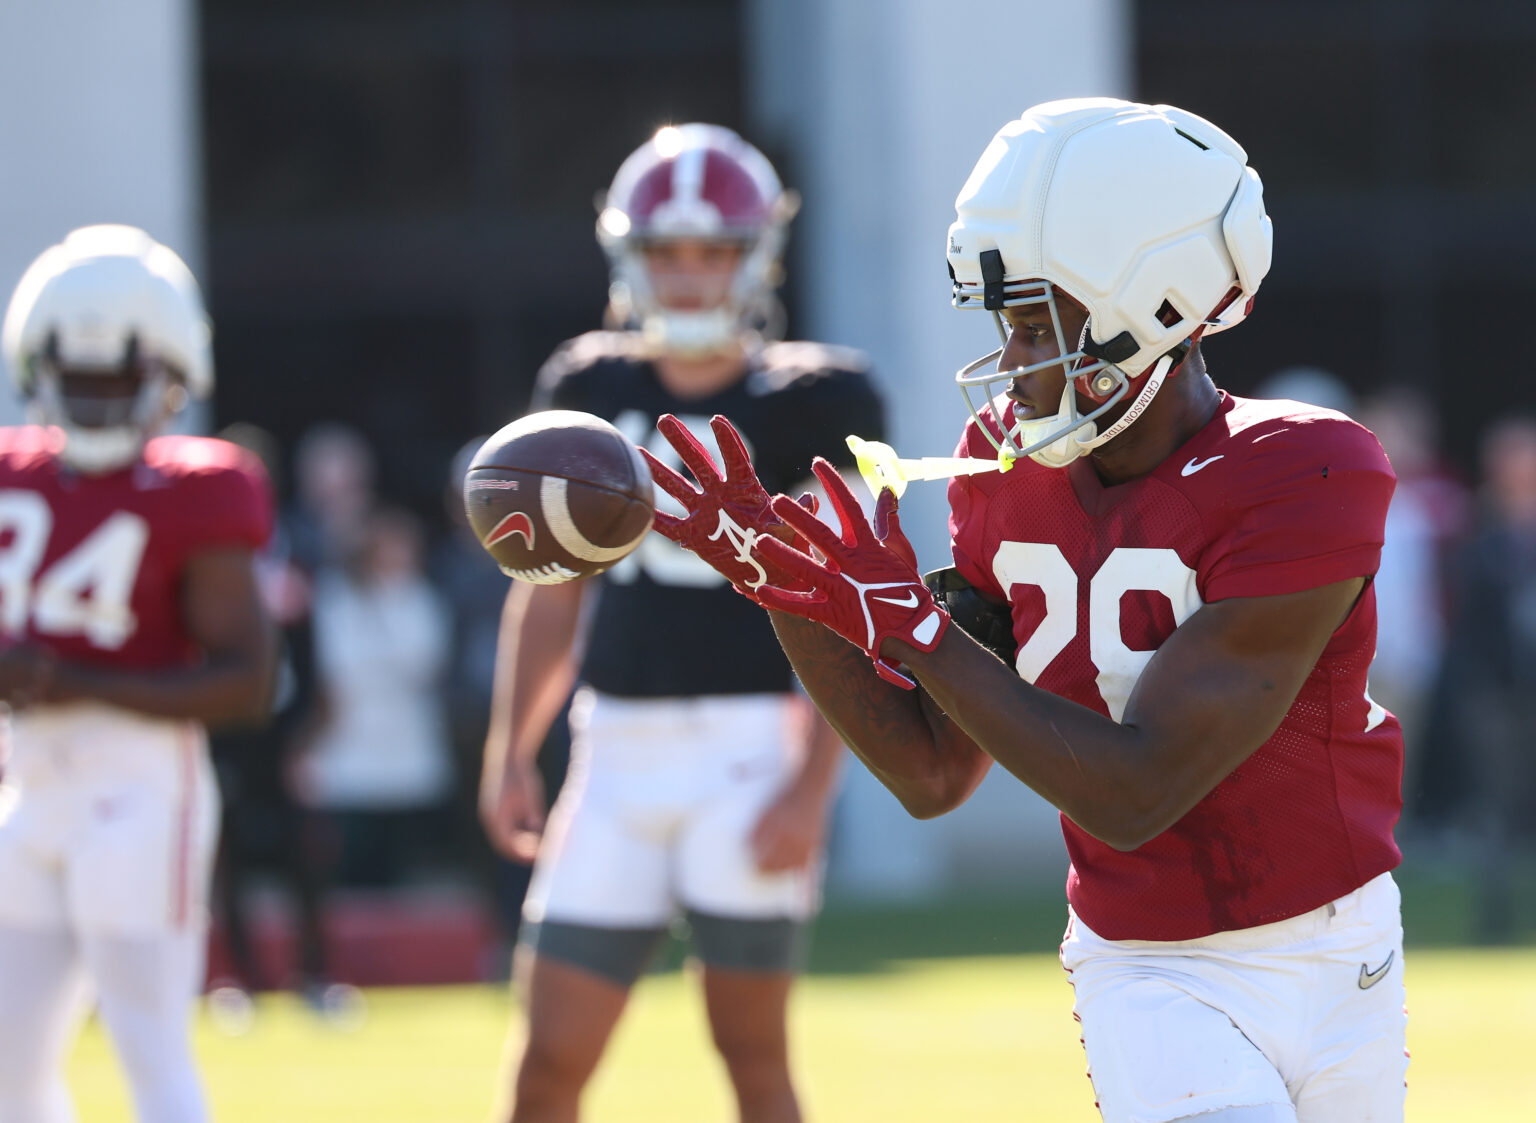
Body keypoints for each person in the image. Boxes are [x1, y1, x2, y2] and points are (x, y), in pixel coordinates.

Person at [648, 100, 1408, 1123]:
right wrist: (783, 587)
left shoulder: (1303, 468)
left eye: (1032, 321)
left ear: (1147, 300)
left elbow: (1141, 786)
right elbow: (929, 768)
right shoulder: (1002, 473)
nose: (1011, 362)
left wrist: (916, 631)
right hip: (1151, 965)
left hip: (1345, 945)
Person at [478, 123, 885, 1123]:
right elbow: (551, 585)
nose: (693, 274)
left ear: (758, 256)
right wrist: (510, 745)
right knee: (546, 1065)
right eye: (670, 251)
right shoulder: (585, 389)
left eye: (714, 251)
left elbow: (855, 601)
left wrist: (813, 783)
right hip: (613, 746)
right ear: (631, 256)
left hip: (751, 747)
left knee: (752, 1057)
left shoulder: (819, 395)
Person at [0, 225, 276, 1123]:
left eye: (116, 378)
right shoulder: (13, 474)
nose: (93, 398)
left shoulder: (201, 487)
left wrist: (77, 682)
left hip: (140, 791)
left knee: (149, 1054)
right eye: (78, 377)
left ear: (165, 374)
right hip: (27, 784)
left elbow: (247, 683)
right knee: (7, 1068)